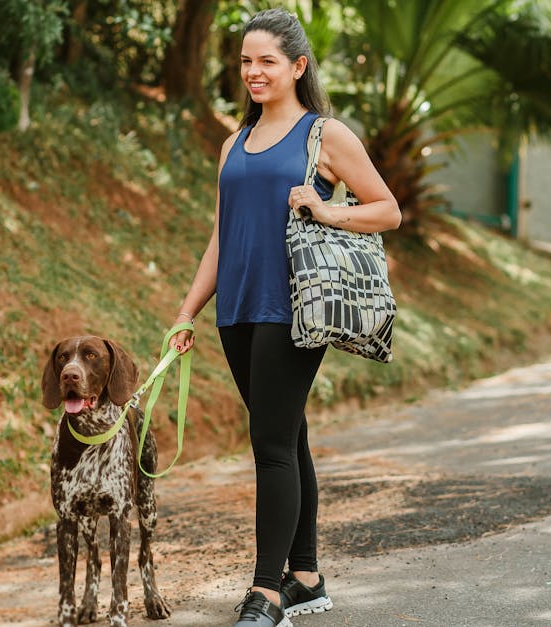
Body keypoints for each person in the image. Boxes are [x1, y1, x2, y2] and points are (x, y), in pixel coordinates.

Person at [168, 7, 400, 627]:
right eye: (246, 60)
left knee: (269, 444)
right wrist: (190, 310)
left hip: (293, 307)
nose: (253, 72)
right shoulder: (232, 144)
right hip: (238, 308)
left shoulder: (325, 136)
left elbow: (387, 210)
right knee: (287, 434)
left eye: (267, 61)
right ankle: (306, 576)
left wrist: (327, 212)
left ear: (297, 67)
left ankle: (266, 594)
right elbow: (222, 235)